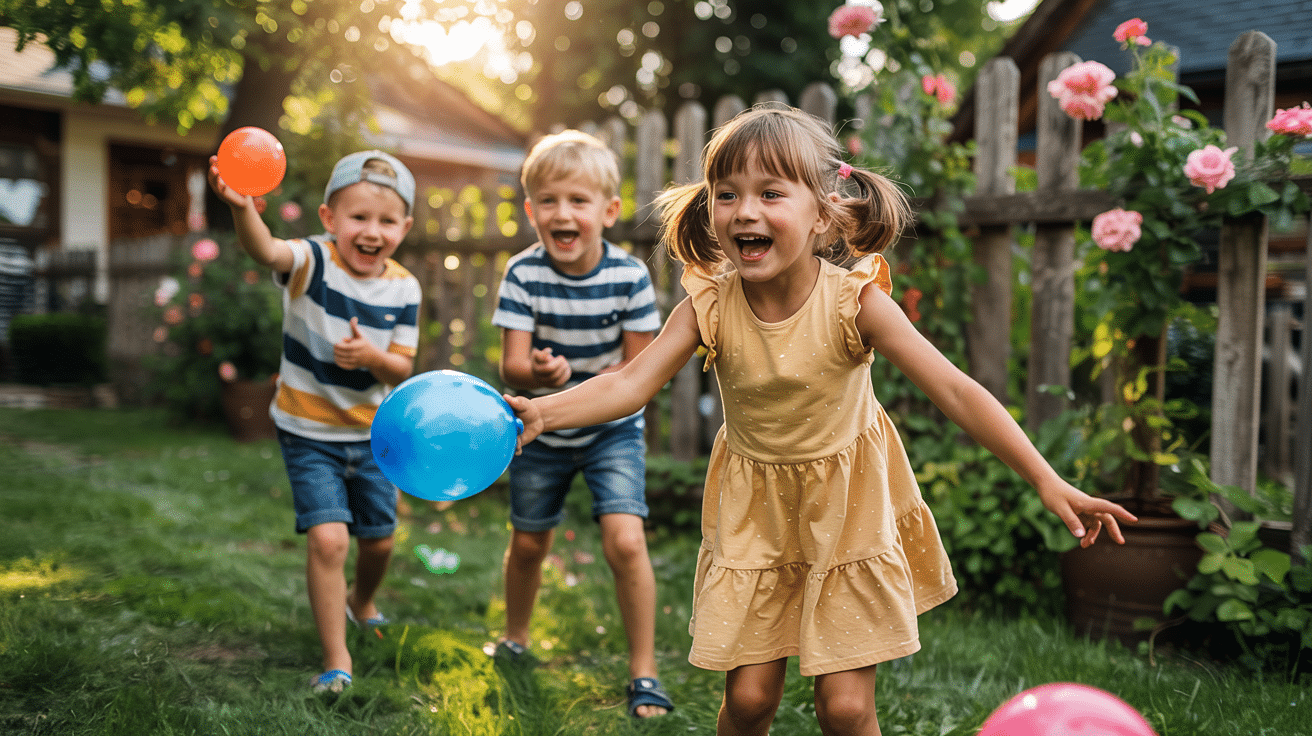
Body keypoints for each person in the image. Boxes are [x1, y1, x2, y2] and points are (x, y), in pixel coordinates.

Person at [504, 106, 1138, 736]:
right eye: (728, 195)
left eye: (770, 193)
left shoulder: (854, 300)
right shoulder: (709, 303)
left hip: (848, 511)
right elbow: (628, 382)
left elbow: (954, 388)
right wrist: (544, 412)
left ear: (823, 213)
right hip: (756, 514)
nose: (745, 211)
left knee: (846, 708)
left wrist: (1047, 479)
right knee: (750, 701)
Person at [208, 149, 422, 694]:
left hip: (374, 435)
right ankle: (336, 660)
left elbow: (402, 367)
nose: (372, 231)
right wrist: (241, 210)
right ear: (329, 220)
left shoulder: (404, 288)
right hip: (308, 432)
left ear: (405, 228)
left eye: (386, 220)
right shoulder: (310, 261)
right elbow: (265, 249)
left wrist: (371, 357)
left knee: (378, 541)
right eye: (358, 217)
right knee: (329, 540)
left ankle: (362, 600)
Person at [490, 130, 671, 718]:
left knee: (625, 539)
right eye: (548, 201)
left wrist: (585, 386)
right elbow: (511, 363)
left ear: (608, 211)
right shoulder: (523, 274)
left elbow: (638, 367)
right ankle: (516, 638)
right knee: (528, 542)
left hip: (612, 431)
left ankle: (643, 671)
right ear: (530, 210)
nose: (562, 213)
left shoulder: (629, 278)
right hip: (538, 430)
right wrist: (538, 371)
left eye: (577, 201)